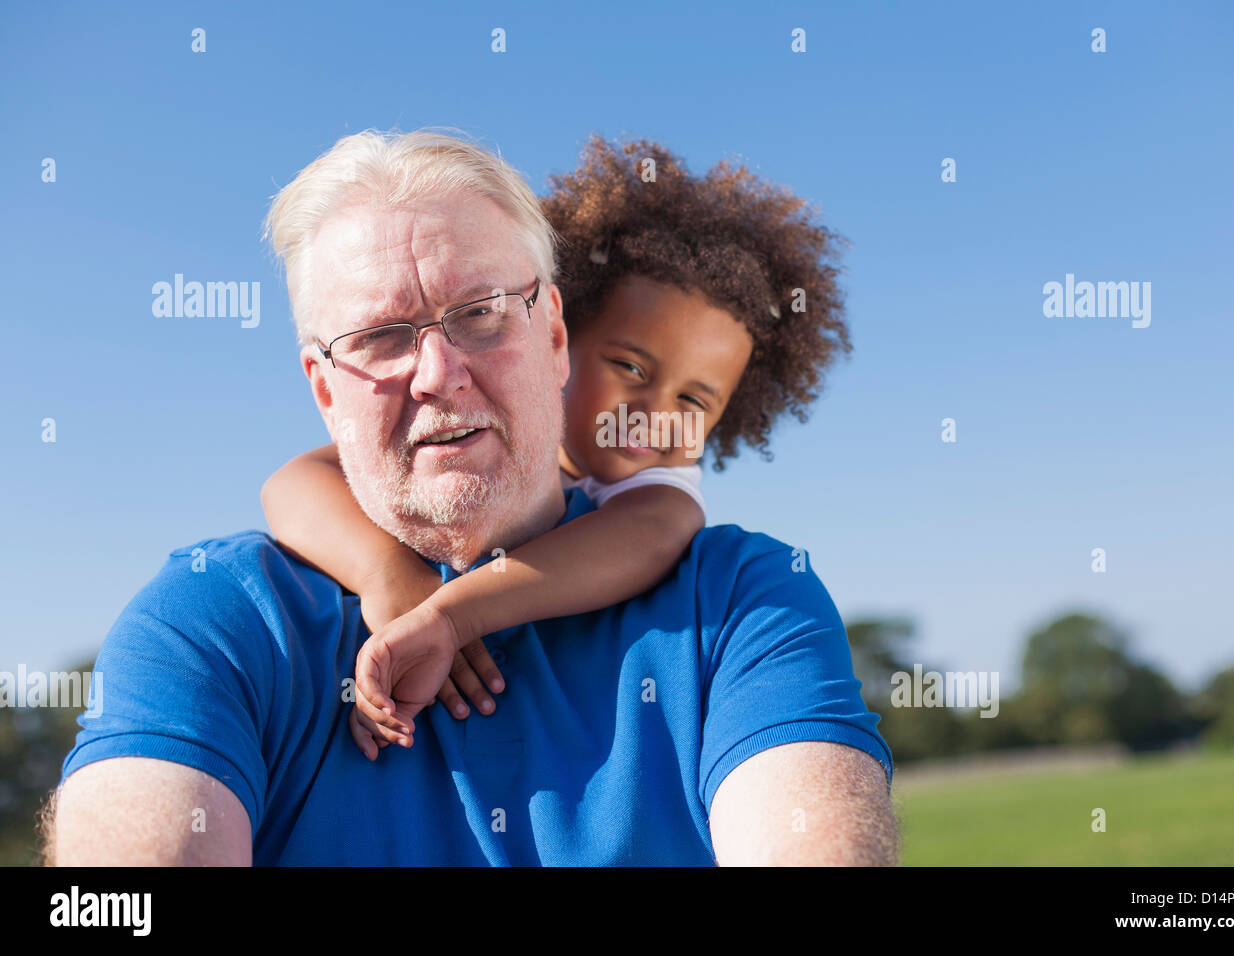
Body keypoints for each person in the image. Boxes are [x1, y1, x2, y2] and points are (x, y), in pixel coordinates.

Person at [45, 129, 899, 865]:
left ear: (553, 335)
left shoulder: (738, 593)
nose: (436, 374)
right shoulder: (210, 620)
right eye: (379, 337)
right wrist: (397, 583)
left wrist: (453, 617)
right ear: (323, 389)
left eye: (481, 313)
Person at [259, 135, 861, 762]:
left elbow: (642, 539)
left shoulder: (661, 492)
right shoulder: (481, 431)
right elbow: (292, 483)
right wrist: (389, 576)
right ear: (558, 339)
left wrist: (454, 616)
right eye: (630, 366)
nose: (654, 413)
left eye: (694, 402)